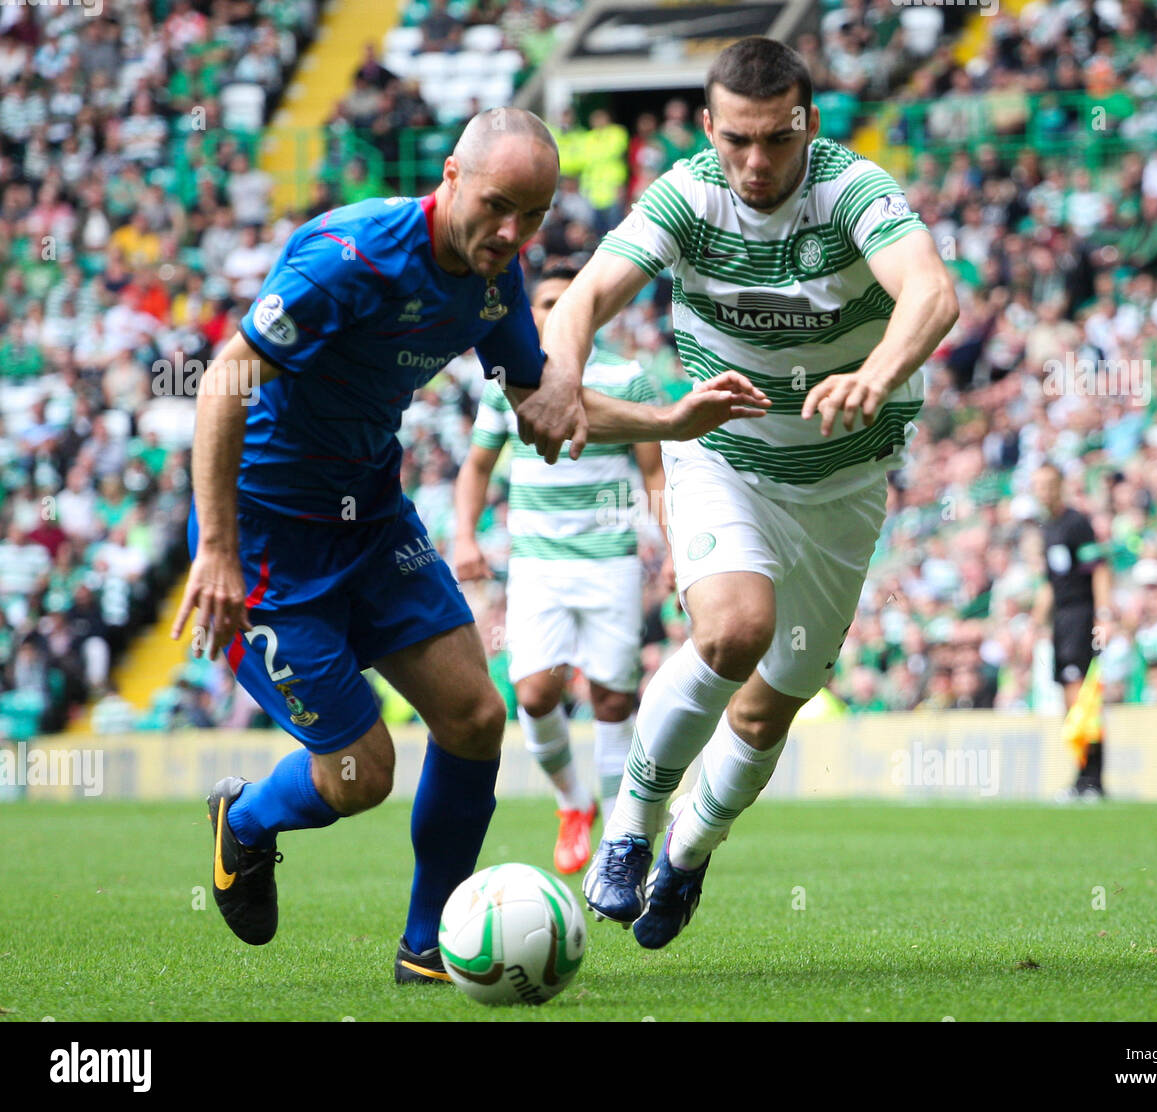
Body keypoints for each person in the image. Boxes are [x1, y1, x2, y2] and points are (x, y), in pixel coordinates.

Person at [171, 107, 767, 982]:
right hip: (266, 542)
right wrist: (217, 548)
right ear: (450, 175)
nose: (512, 232)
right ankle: (247, 822)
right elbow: (226, 379)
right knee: (360, 773)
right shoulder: (349, 257)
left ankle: (427, 948)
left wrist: (669, 419)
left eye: (532, 216)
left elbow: (545, 406)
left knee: (477, 718)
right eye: (497, 206)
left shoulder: (494, 282)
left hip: (371, 522)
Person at [543, 37, 958, 949]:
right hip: (722, 457)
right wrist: (561, 379)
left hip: (843, 481)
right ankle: (629, 830)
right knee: (734, 631)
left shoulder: (852, 190)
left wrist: (877, 374)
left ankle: (688, 852)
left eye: (776, 138)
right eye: (736, 140)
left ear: (809, 124)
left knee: (770, 707)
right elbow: (583, 299)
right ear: (708, 128)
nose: (756, 162)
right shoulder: (686, 196)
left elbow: (931, 292)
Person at [454, 263, 673, 876]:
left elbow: (654, 470)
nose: (553, 312)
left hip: (610, 563)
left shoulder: (627, 378)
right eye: (544, 302)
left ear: (590, 310)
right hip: (537, 566)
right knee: (534, 692)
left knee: (611, 699)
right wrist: (465, 535)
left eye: (566, 301)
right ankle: (574, 802)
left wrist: (676, 548)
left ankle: (618, 837)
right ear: (530, 311)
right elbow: (477, 466)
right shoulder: (506, 380)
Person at [1031, 463, 1113, 798]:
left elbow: (1099, 569)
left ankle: (1092, 779)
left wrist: (1103, 615)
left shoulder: (1076, 523)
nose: (1043, 491)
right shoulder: (1048, 528)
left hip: (1081, 615)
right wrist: (1036, 622)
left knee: (1081, 698)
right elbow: (1051, 583)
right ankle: (1082, 779)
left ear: (1061, 485)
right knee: (1070, 701)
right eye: (1038, 485)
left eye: (1049, 484)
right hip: (1061, 621)